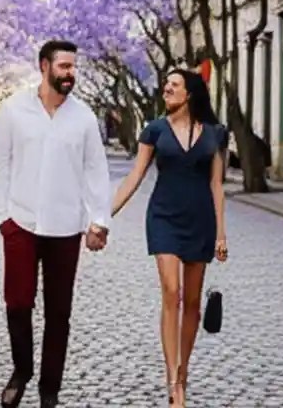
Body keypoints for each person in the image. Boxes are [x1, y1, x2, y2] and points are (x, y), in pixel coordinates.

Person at [0, 39, 113, 408]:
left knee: (59, 312)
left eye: (74, 67)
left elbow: (95, 171)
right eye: (64, 67)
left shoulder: (84, 117)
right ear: (44, 66)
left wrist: (98, 220)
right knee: (18, 302)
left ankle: (49, 390)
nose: (71, 74)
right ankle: (22, 370)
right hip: (20, 224)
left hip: (65, 228)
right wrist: (3, 218)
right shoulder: (14, 110)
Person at [110, 69, 229, 407]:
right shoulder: (154, 130)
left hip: (200, 220)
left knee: (192, 302)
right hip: (163, 217)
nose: (167, 89)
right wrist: (106, 215)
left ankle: (184, 372)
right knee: (171, 292)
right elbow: (135, 175)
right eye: (166, 85)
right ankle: (172, 380)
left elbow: (216, 186)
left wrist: (221, 234)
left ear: (189, 93)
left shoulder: (216, 134)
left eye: (174, 85)